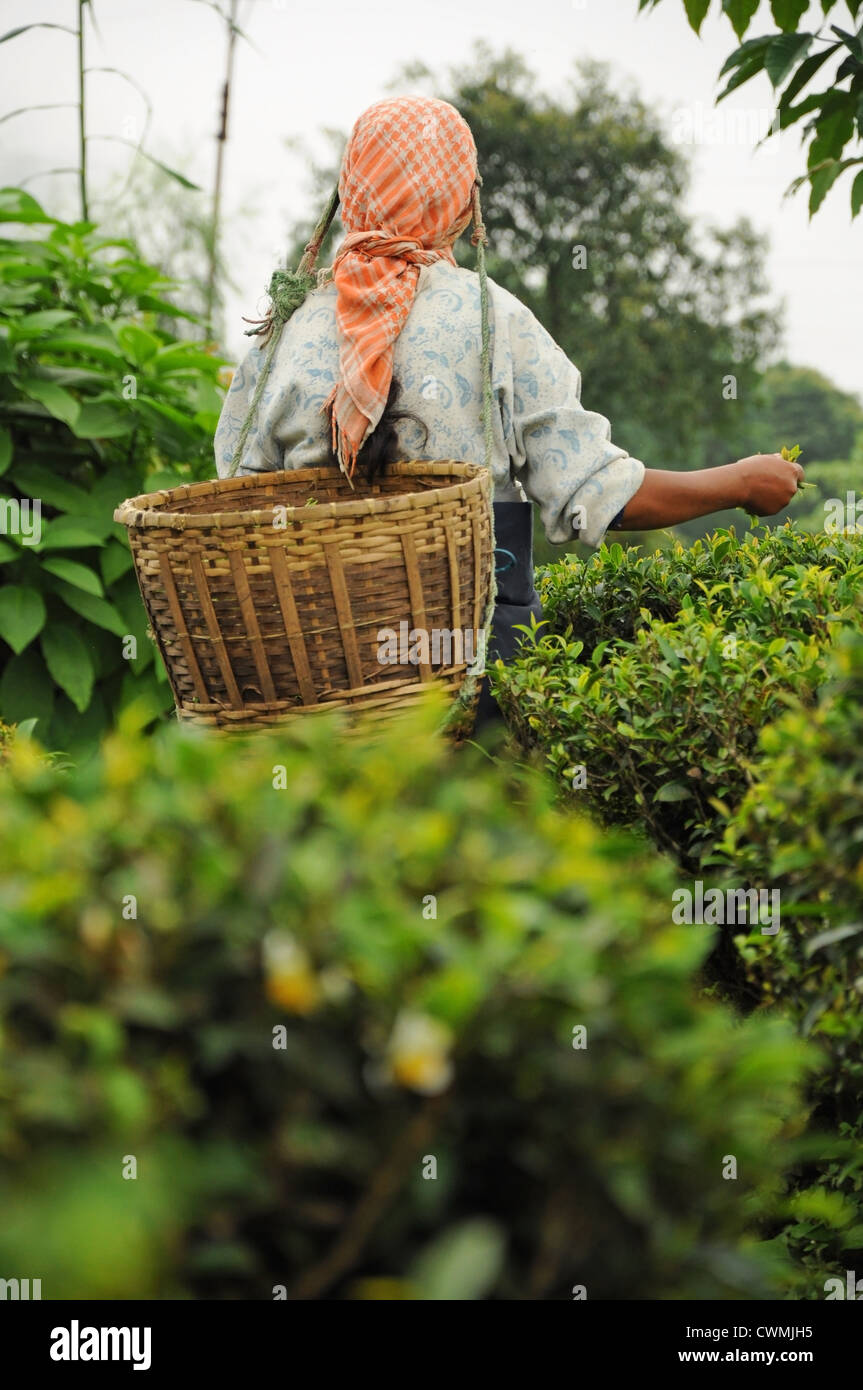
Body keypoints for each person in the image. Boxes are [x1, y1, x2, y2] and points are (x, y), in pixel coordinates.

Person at [215, 95, 804, 727]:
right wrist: (742, 482)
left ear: (350, 191)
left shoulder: (286, 333)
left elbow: (235, 507)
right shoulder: (493, 320)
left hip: (305, 688)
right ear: (461, 202)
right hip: (463, 686)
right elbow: (596, 495)